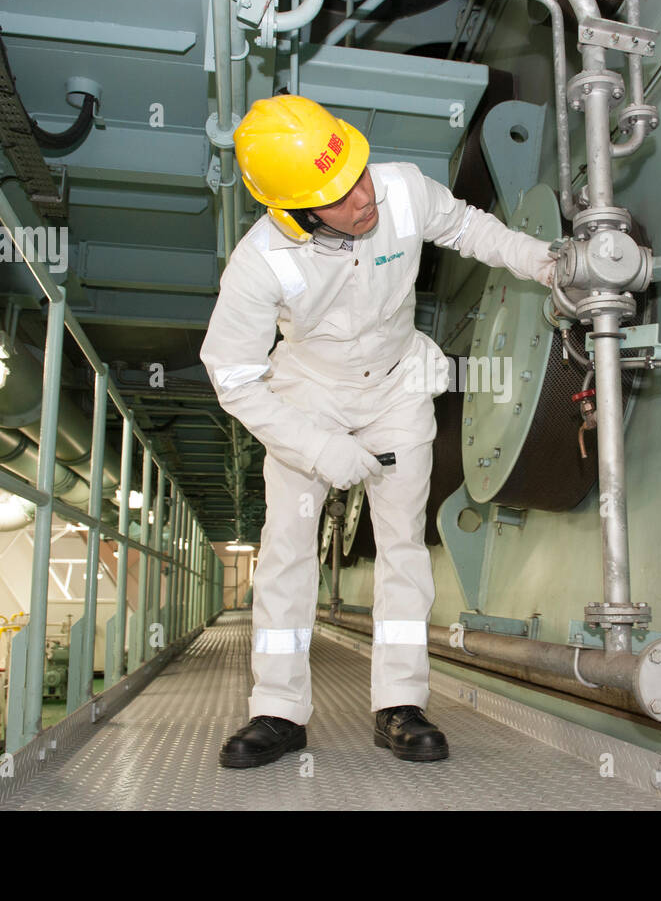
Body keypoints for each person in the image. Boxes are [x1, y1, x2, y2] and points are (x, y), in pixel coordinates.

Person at [200, 94, 556, 768]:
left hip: (398, 388)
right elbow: (234, 376)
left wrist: (543, 261)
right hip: (307, 399)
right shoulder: (260, 262)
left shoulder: (399, 189)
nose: (362, 196)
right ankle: (277, 710)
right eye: (338, 194)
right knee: (286, 552)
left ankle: (399, 702)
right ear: (296, 213)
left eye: (358, 172)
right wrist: (317, 447)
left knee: (403, 550)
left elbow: (473, 230)